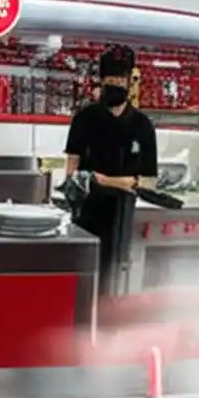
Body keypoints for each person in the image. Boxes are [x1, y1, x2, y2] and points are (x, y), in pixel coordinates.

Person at [63, 45, 158, 291]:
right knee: (85, 278)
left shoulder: (143, 125)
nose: (115, 84)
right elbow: (72, 173)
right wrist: (112, 182)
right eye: (110, 79)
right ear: (102, 81)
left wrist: (106, 180)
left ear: (130, 82)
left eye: (120, 79)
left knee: (116, 278)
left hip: (125, 215)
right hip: (88, 212)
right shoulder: (85, 118)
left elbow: (148, 180)